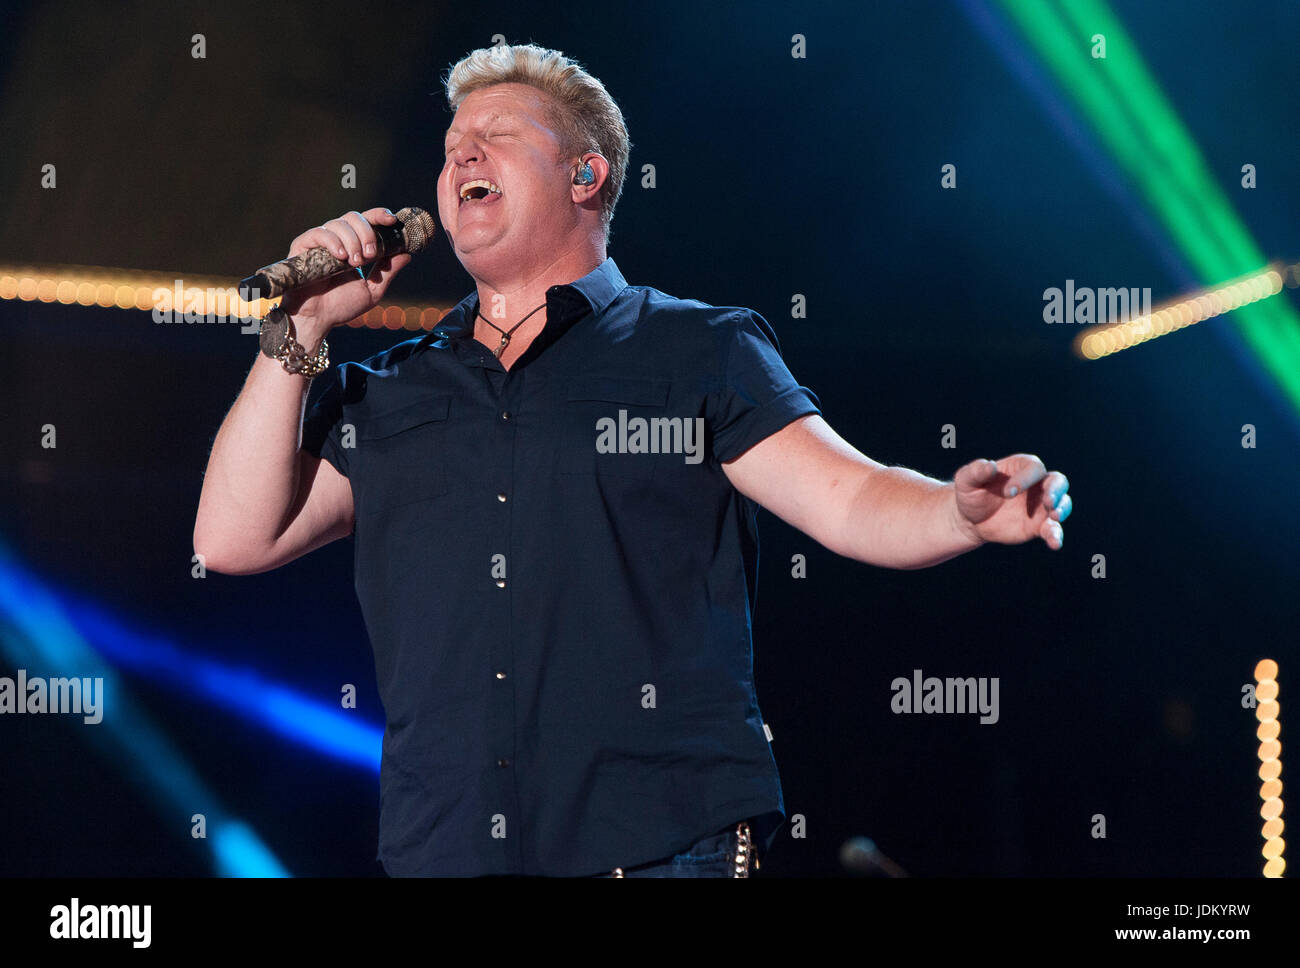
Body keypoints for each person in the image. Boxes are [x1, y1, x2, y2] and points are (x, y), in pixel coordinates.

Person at [193, 43, 1072, 878]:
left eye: (495, 137)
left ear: (587, 173)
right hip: (448, 850)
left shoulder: (698, 349)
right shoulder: (389, 390)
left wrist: (957, 513)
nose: (463, 157)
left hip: (659, 847)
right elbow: (232, 540)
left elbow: (849, 499)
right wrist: (299, 328)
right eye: (453, 147)